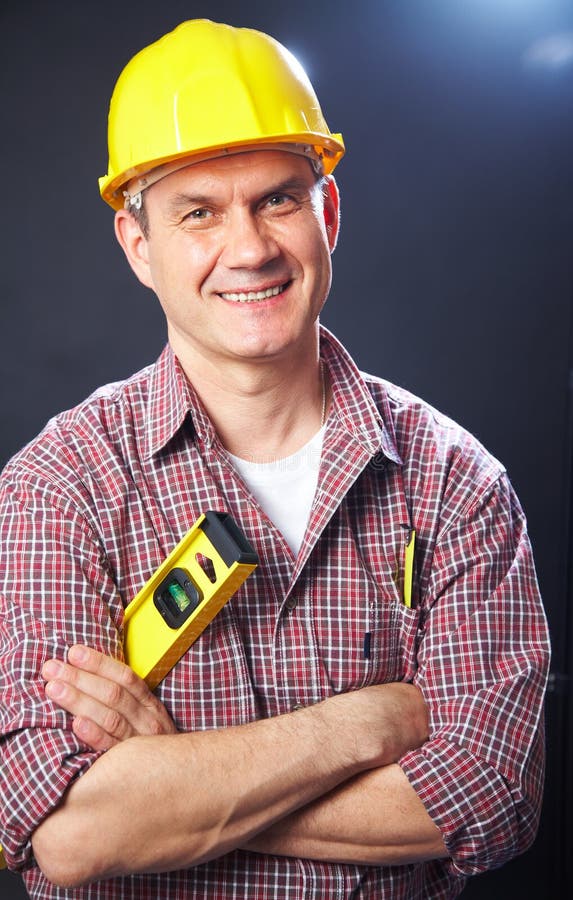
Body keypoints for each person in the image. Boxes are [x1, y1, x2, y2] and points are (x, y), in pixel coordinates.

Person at [0, 18, 550, 900]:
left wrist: (168, 781)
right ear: (139, 247)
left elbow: (490, 797)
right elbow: (63, 831)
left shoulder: (456, 483)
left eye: (277, 200)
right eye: (198, 213)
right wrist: (364, 724)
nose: (249, 248)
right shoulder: (57, 489)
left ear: (326, 212)